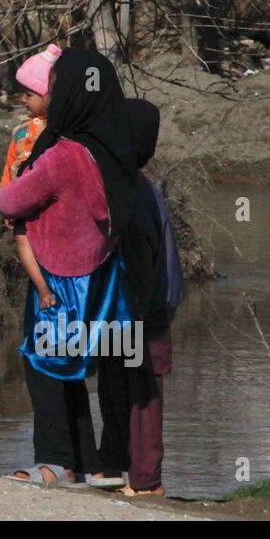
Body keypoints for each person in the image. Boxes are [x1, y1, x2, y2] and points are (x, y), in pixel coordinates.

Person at [0, 48, 140, 484]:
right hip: (101, 281)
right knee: (74, 368)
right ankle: (88, 461)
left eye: (54, 89)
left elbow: (9, 199)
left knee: (45, 368)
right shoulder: (114, 148)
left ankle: (54, 463)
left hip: (55, 280)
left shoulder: (62, 155)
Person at [96, 98, 185, 496]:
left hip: (144, 309)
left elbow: (145, 258)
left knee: (143, 391)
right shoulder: (133, 185)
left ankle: (146, 481)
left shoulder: (137, 192)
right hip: (128, 306)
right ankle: (113, 466)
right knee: (116, 384)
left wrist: (136, 309)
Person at [0, 44, 61, 314]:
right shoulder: (20, 132)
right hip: (25, 204)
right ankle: (41, 288)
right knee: (23, 237)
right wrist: (6, 200)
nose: (23, 100)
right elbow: (9, 168)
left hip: (51, 209)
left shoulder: (61, 130)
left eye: (29, 94)